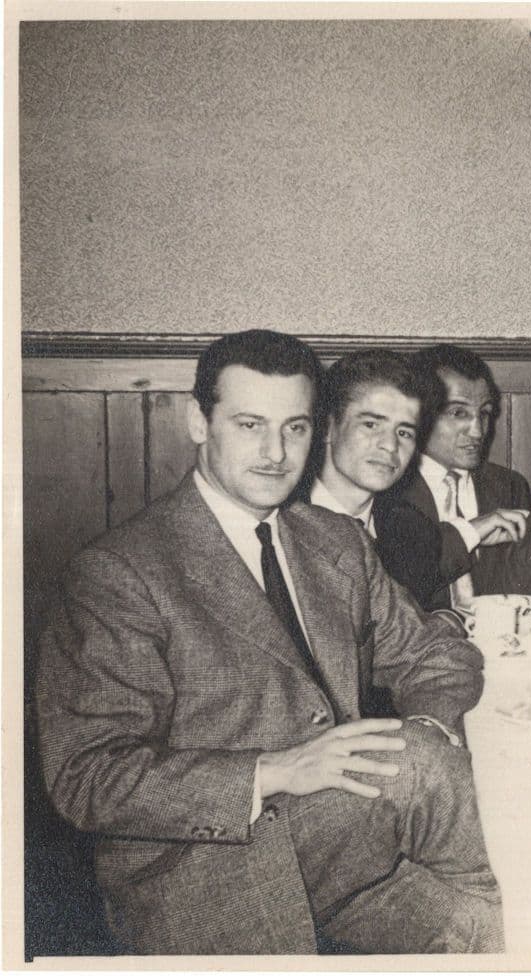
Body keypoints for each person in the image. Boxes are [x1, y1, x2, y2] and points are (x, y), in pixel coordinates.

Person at [37, 330, 503, 954]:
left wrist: (430, 719)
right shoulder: (123, 572)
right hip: (206, 874)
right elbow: (86, 775)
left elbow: (435, 654)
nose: (276, 452)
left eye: (295, 428)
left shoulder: (334, 541)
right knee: (419, 769)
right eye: (250, 424)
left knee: (497, 932)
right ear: (199, 422)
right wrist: (276, 769)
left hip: (345, 849)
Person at [386, 344, 531, 603]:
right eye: (458, 412)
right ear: (417, 413)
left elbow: (527, 592)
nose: (478, 432)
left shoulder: (507, 486)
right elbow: (397, 587)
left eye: (484, 413)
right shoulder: (390, 487)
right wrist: (470, 532)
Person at [301, 349, 452, 613]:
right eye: (371, 425)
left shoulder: (412, 532)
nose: (390, 445)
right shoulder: (280, 525)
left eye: (404, 432)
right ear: (327, 428)